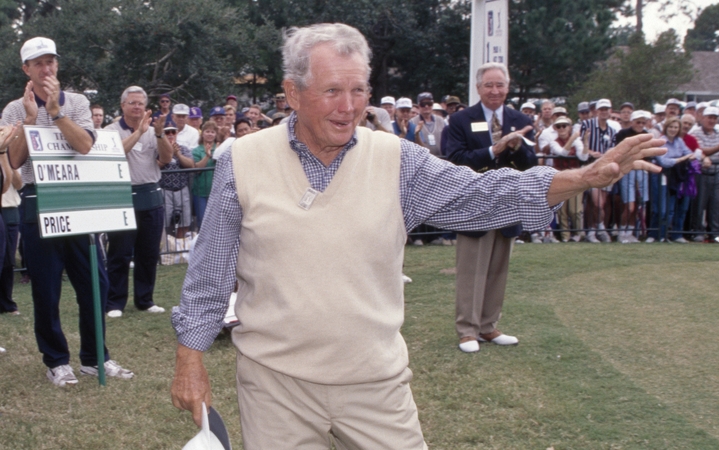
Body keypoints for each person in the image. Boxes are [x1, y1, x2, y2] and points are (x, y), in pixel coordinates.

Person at [169, 23, 665, 448]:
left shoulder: (397, 159)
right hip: (274, 386)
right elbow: (211, 268)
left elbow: (482, 195)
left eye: (359, 90)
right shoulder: (243, 159)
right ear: (293, 93)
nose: (349, 106)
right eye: (332, 91)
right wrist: (190, 357)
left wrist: (581, 178)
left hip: (375, 383)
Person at [1, 37, 133, 385]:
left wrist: (55, 112)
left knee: (95, 284)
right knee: (45, 290)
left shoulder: (76, 102)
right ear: (26, 69)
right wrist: (30, 120)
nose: (46, 69)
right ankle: (57, 360)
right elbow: (14, 160)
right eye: (38, 63)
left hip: (78, 202)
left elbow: (86, 145)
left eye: (51, 62)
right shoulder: (15, 109)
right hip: (38, 201)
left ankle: (95, 357)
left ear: (57, 65)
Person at [445, 62, 537, 352]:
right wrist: (492, 150)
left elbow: (531, 164)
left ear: (508, 87)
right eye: (488, 85)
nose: (494, 90)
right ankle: (467, 329)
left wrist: (518, 147)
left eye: (499, 85)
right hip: (475, 202)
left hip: (508, 201)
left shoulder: (519, 119)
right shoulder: (461, 120)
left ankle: (488, 326)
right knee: (472, 266)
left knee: (498, 266)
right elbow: (455, 158)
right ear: (478, 88)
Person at [104, 86, 171, 318]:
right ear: (123, 105)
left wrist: (160, 134)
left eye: (140, 103)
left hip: (150, 196)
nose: (136, 107)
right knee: (120, 253)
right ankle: (114, 302)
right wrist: (139, 132)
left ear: (146, 107)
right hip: (123, 196)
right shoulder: (111, 130)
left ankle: (145, 299)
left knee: (148, 252)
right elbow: (116, 153)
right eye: (132, 103)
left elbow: (166, 158)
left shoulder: (154, 131)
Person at [689, 106, 719, 242]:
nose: (712, 121)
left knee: (717, 205)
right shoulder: (696, 132)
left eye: (714, 118)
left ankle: (715, 233)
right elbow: (701, 151)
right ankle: (697, 232)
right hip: (701, 173)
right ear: (703, 118)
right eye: (709, 118)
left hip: (716, 172)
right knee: (699, 204)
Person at [545, 116, 588, 242]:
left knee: (575, 210)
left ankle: (579, 234)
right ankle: (565, 236)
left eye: (565, 125)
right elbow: (562, 153)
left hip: (575, 177)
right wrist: (573, 139)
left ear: (570, 127)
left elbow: (584, 157)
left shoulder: (576, 141)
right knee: (562, 210)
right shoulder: (554, 142)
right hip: (560, 178)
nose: (562, 128)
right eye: (559, 126)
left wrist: (585, 142)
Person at [582, 98, 617, 243]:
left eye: (606, 109)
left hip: (605, 169)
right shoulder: (587, 125)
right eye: (601, 109)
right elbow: (581, 145)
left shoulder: (612, 130)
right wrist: (591, 152)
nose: (604, 112)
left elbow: (614, 150)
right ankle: (597, 229)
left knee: (600, 202)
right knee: (596, 202)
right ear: (597, 111)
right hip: (590, 168)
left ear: (610, 111)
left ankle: (595, 229)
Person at [656, 117, 696, 243]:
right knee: (663, 209)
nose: (673, 130)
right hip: (663, 177)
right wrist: (679, 160)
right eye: (671, 127)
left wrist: (683, 158)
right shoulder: (661, 141)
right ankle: (660, 235)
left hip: (677, 177)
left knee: (675, 209)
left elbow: (690, 154)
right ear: (666, 127)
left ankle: (673, 235)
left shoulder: (679, 141)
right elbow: (663, 161)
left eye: (675, 127)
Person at [615, 110, 650, 243]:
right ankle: (621, 232)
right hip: (627, 170)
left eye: (643, 122)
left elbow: (648, 154)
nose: (640, 125)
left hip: (641, 170)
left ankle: (630, 232)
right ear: (632, 122)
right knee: (629, 206)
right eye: (638, 122)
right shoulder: (623, 134)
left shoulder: (646, 135)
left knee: (638, 205)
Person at [159, 119, 195, 239]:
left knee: (184, 222)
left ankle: (179, 249)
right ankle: (165, 250)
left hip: (181, 189)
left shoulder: (183, 148)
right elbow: (155, 165)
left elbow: (190, 164)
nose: (170, 135)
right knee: (163, 223)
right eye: (167, 132)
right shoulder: (158, 148)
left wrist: (178, 154)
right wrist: (168, 154)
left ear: (176, 133)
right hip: (165, 190)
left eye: (172, 132)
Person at [0, 130, 19, 314]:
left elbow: (10, 185)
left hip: (7, 211)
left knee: (6, 261)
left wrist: (4, 153)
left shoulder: (7, 151)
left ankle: (6, 302)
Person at [191, 121, 217, 230]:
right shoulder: (196, 150)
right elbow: (197, 169)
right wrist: (207, 156)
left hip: (216, 192)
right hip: (200, 192)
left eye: (212, 131)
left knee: (216, 222)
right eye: (207, 131)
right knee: (202, 222)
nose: (210, 134)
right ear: (202, 134)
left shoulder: (220, 148)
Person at [411, 92, 446, 156]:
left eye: (429, 104)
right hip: (422, 159)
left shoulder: (441, 120)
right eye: (423, 104)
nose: (426, 106)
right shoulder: (413, 122)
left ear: (432, 105)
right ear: (418, 106)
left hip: (441, 158)